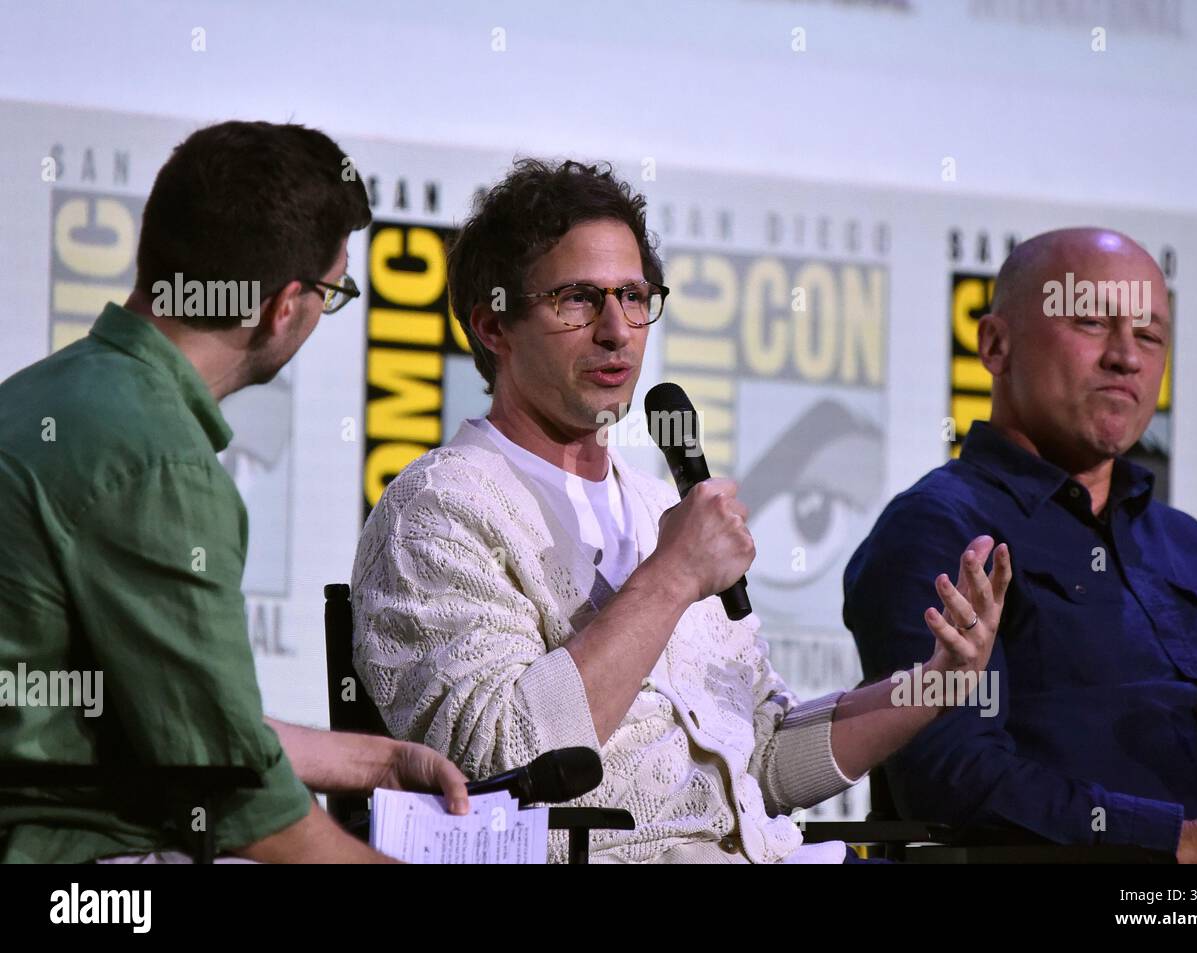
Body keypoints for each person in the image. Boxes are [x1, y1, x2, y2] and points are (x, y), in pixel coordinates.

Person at [351, 157, 1011, 863]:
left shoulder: (659, 504)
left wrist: (931, 685)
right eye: (577, 298)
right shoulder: (437, 510)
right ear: (493, 326)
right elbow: (499, 763)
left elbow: (760, 758)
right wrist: (671, 576)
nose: (616, 329)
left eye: (634, 296)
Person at [0, 121, 467, 864]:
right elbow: (247, 808)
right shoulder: (163, 466)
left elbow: (182, 715)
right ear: (286, 305)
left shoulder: (41, 397)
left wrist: (376, 762)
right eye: (333, 291)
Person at [844, 227, 1197, 864]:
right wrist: (1191, 844)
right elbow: (952, 777)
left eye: (1148, 335)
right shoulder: (940, 527)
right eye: (1090, 322)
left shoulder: (1190, 547)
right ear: (996, 346)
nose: (1126, 357)